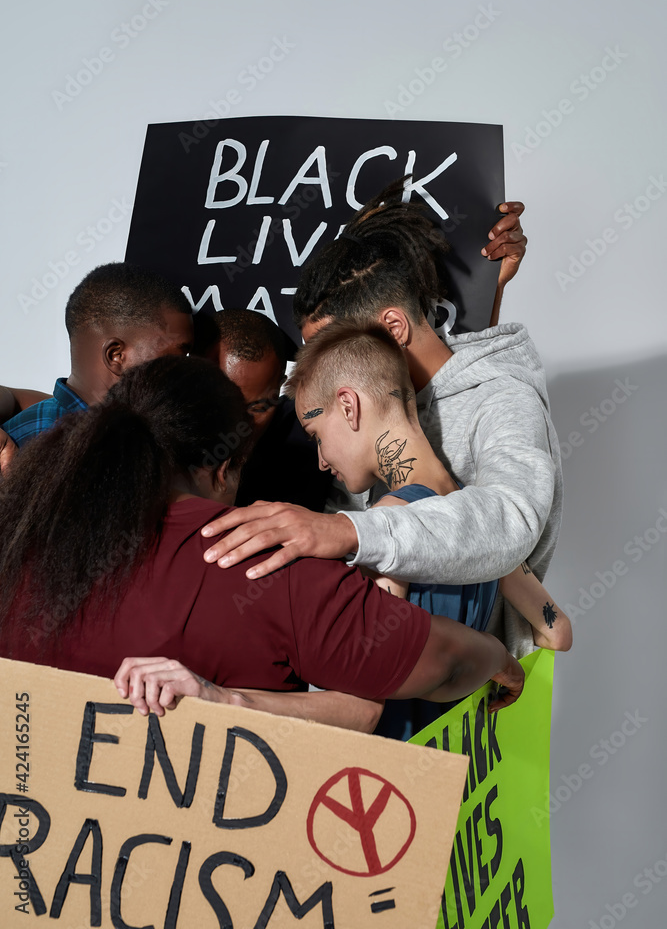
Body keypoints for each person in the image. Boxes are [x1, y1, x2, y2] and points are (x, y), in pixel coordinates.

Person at [0, 355, 524, 729]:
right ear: (224, 468)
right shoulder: (264, 563)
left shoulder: (20, 537)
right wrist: (500, 656)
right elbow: (449, 663)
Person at [198, 181, 561, 659]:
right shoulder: (366, 413)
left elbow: (511, 520)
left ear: (393, 328)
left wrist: (350, 533)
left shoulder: (500, 399)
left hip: (472, 709)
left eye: (335, 346)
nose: (328, 368)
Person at [286, 318, 571, 738]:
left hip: (397, 773)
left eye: (315, 435)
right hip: (463, 763)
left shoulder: (385, 532)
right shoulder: (476, 526)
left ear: (349, 406)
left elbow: (360, 698)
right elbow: (557, 631)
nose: (321, 461)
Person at [1, 262, 194, 449]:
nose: (188, 372)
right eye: (177, 357)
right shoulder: (41, 447)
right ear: (116, 356)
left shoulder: (124, 435)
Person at [205, 309, 329, 510]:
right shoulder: (164, 436)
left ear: (281, 386)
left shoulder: (308, 441)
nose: (240, 424)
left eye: (258, 408)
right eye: (224, 404)